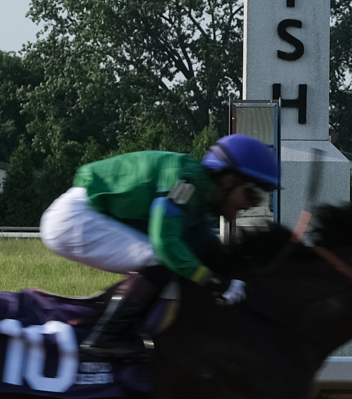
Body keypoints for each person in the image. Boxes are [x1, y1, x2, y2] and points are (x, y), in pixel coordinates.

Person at [38, 133, 281, 359]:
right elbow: (165, 243)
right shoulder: (184, 180)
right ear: (228, 180)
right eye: (253, 195)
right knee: (161, 258)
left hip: (89, 215)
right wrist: (214, 282)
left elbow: (209, 250)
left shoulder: (201, 198)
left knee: (188, 257)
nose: (253, 205)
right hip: (73, 218)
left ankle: (124, 326)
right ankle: (106, 337)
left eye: (260, 200)